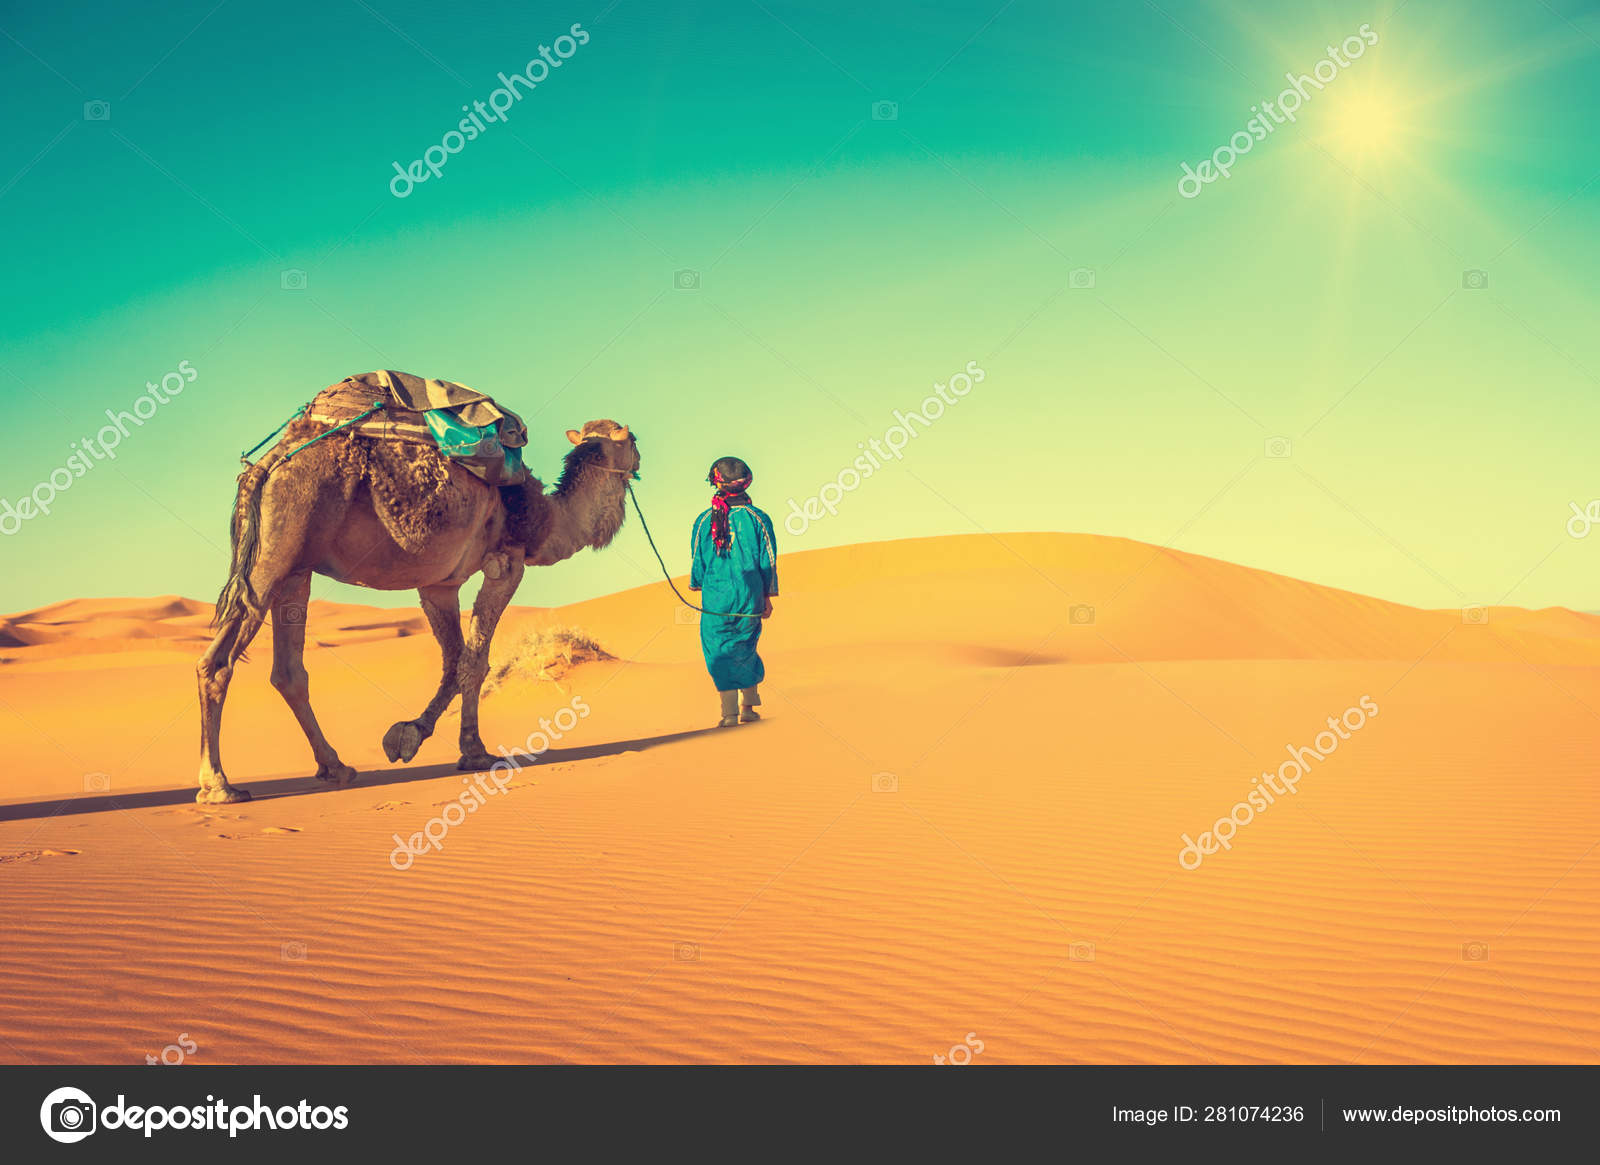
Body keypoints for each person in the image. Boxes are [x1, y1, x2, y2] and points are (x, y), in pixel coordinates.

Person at [690, 456, 778, 727]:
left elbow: (698, 562)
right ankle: (748, 708)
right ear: (747, 482)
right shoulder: (758, 518)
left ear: (715, 482)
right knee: (745, 647)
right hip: (749, 596)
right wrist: (767, 596)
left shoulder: (704, 521)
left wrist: (698, 585)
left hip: (716, 599)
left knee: (718, 651)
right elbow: (768, 561)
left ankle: (729, 714)